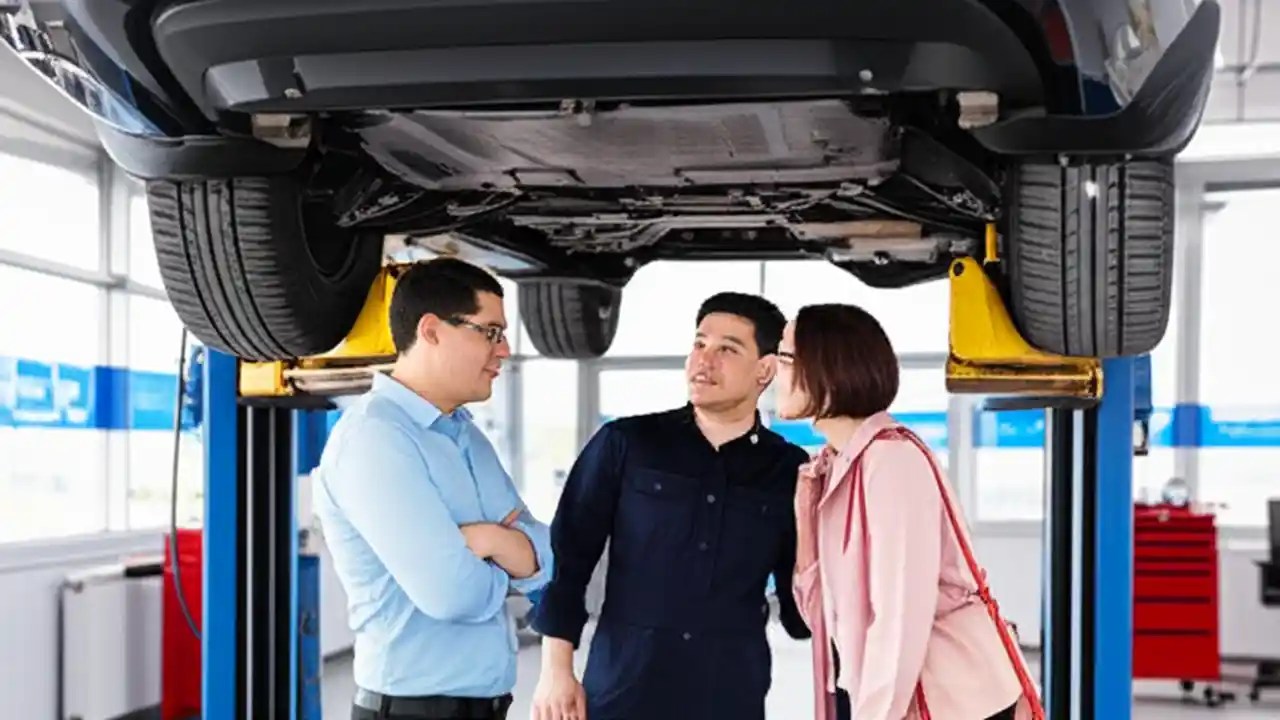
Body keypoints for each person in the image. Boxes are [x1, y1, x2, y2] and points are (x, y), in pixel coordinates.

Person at [529, 292, 813, 720]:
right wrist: (556, 670)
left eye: (727, 350)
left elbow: (798, 598)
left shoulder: (788, 469)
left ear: (765, 370)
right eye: (699, 344)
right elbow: (570, 555)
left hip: (730, 695)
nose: (704, 360)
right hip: (625, 688)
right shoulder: (627, 443)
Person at [312, 257, 553, 720]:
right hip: (411, 711)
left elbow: (545, 559)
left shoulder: (465, 434)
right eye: (490, 332)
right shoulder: (375, 438)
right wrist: (505, 551)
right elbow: (453, 595)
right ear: (431, 330)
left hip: (485, 706)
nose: (502, 351)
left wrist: (487, 541)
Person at [777, 303, 1039, 720]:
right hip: (886, 692)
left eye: (786, 356)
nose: (776, 370)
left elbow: (898, 616)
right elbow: (821, 613)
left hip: (953, 700)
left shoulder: (892, 462)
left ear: (828, 365)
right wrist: (807, 515)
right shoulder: (833, 468)